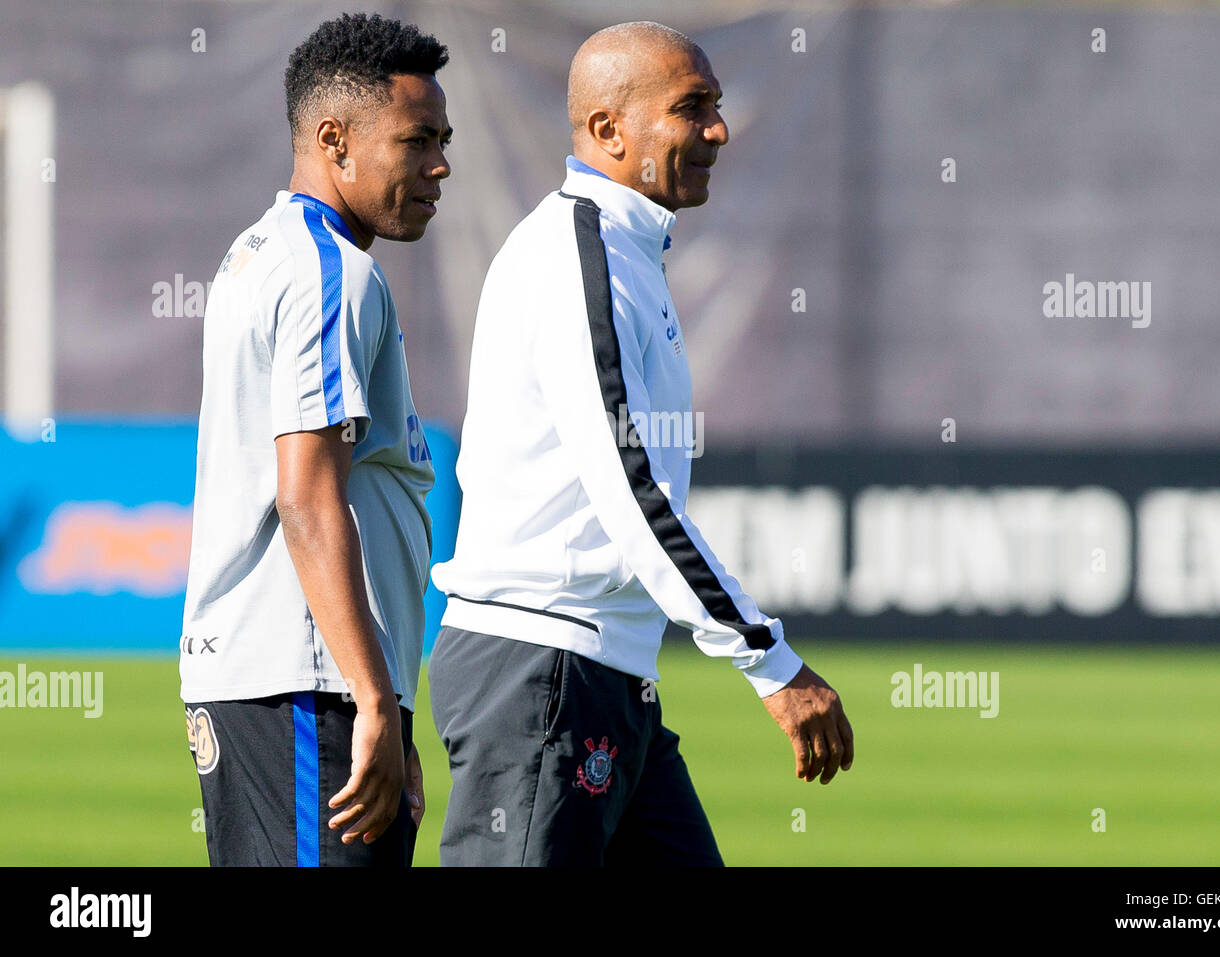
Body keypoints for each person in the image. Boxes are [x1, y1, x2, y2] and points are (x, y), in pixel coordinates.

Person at [429, 20, 853, 867]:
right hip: (544, 669)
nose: (717, 131)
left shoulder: (627, 250)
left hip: (599, 674)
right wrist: (770, 659)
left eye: (717, 108)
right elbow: (635, 490)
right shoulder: (580, 257)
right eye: (691, 109)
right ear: (607, 130)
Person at [179, 13, 452, 866]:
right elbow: (305, 493)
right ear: (334, 139)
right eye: (417, 141)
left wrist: (388, 701)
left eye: (443, 140)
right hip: (306, 684)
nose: (440, 165)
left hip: (302, 683)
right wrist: (374, 697)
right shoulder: (328, 271)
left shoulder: (262, 253)